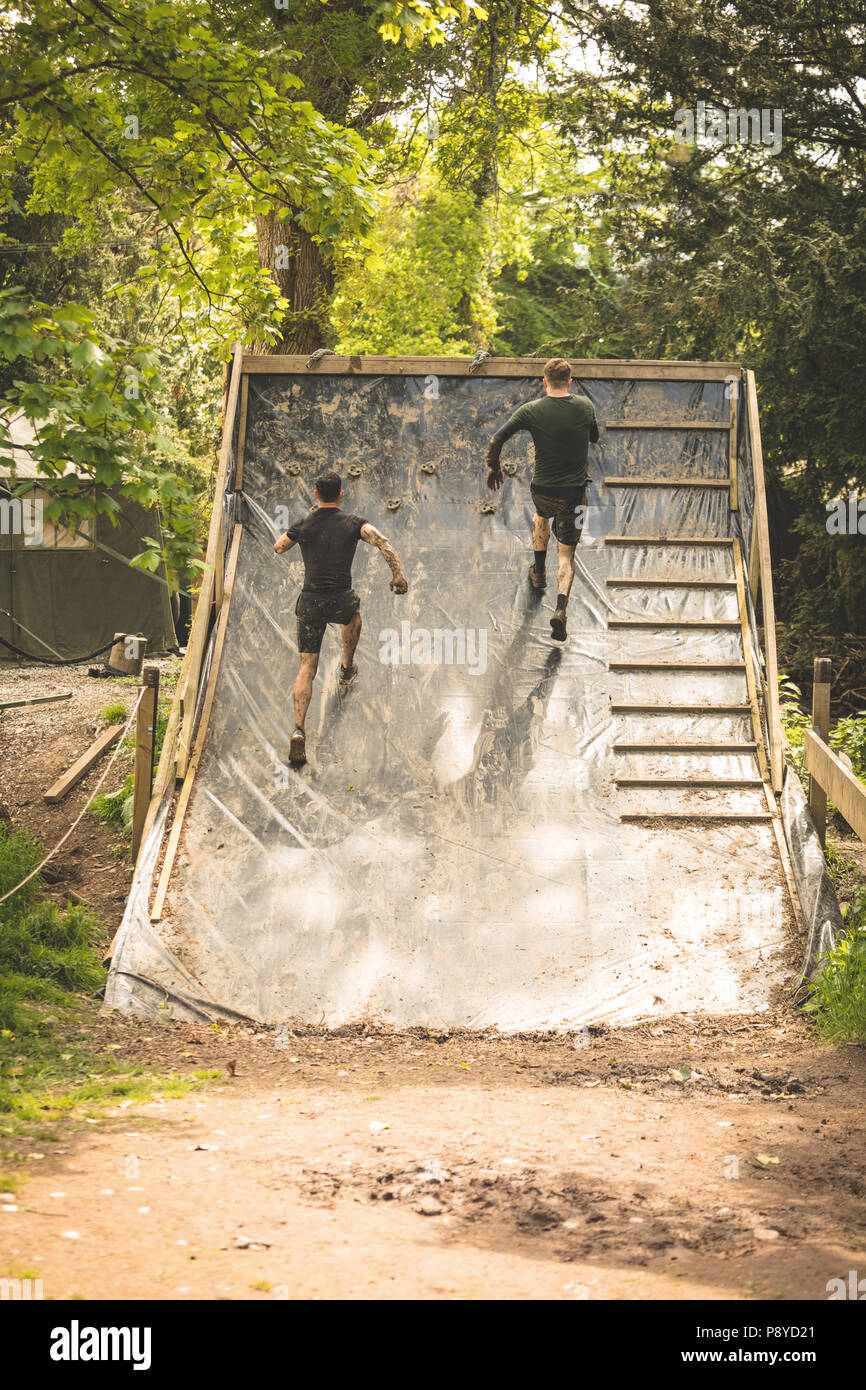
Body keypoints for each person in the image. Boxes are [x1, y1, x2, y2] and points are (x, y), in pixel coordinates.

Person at [273, 470, 408, 766]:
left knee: (306, 668)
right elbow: (383, 542)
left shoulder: (304, 524)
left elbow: (279, 547)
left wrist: (300, 533)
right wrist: (397, 574)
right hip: (340, 599)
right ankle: (347, 667)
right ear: (341, 494)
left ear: (316, 494)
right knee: (353, 616)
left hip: (310, 601)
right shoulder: (354, 523)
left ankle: (298, 730)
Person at [485, 356, 599, 642]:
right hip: (575, 491)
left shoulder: (531, 410)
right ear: (570, 382)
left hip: (543, 488)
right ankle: (560, 609)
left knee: (540, 515)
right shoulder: (585, 405)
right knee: (566, 555)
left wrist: (494, 467)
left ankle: (538, 571)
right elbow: (594, 437)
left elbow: (496, 440)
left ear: (544, 382)